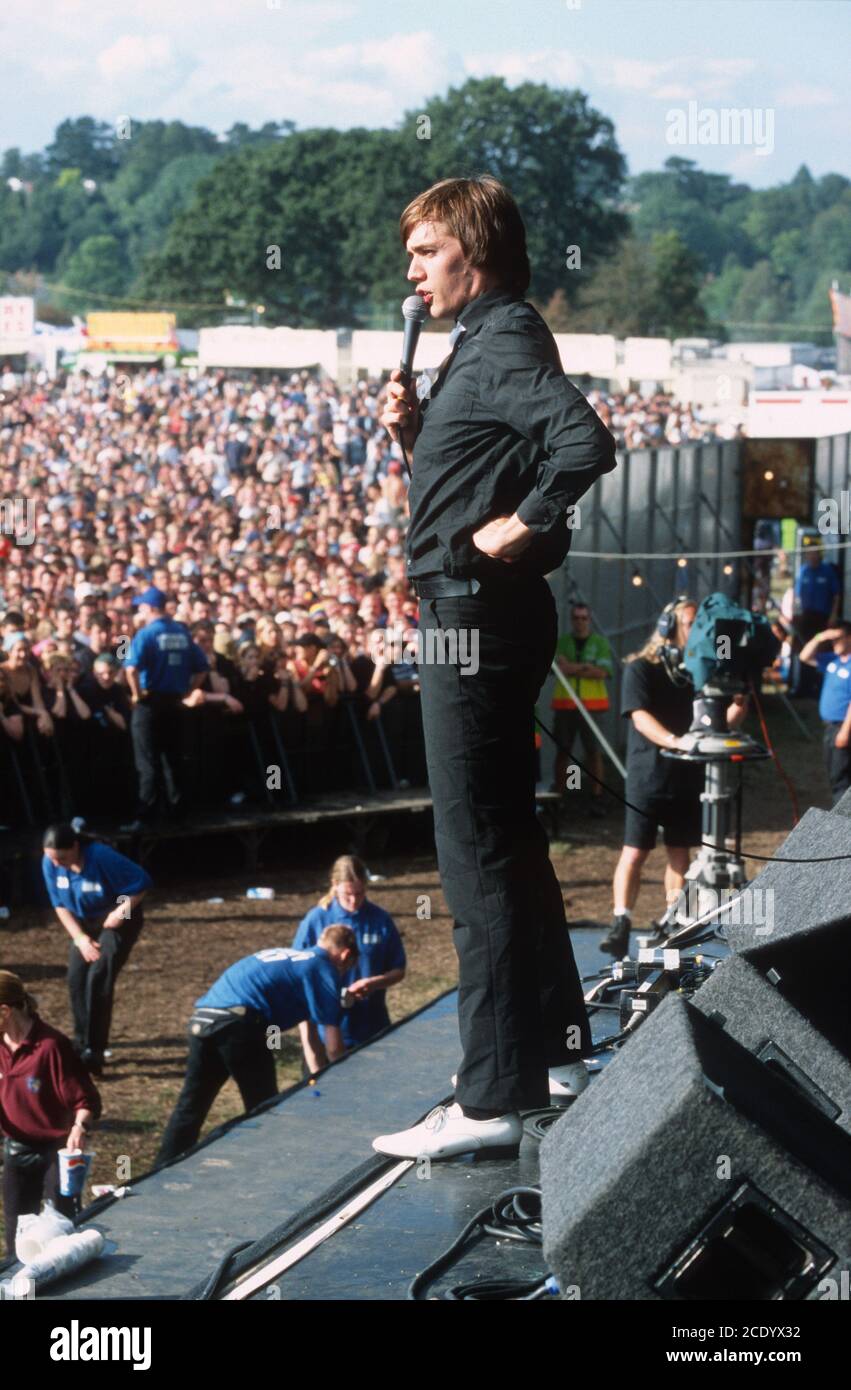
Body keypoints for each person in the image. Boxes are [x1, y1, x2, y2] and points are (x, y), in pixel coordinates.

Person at [373, 175, 617, 1161]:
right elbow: (470, 472)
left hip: (467, 617)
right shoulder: (481, 341)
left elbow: (582, 440)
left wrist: (525, 523)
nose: (412, 271)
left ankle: (487, 1096)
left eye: (425, 252)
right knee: (507, 838)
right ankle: (553, 1046)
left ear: (472, 249)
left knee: (471, 849)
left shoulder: (503, 336)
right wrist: (410, 434)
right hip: (478, 612)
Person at [602, 599, 748, 959]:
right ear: (667, 626)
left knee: (680, 854)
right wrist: (675, 741)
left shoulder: (699, 673)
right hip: (648, 776)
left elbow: (719, 724)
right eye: (690, 623)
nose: (698, 631)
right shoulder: (640, 669)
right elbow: (639, 716)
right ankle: (621, 921)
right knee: (635, 851)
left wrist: (741, 701)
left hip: (687, 777)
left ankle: (674, 920)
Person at [156, 925, 359, 1164]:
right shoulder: (323, 967)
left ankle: (163, 1167)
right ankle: (265, 1167)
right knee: (264, 1106)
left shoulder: (295, 960)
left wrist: (317, 1076)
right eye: (346, 969)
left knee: (192, 1105)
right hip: (238, 1025)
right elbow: (334, 1046)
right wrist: (347, 1087)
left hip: (204, 1019)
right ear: (345, 955)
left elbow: (310, 1035)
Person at [0, 970, 101, 1257]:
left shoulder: (51, 1046)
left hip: (55, 1152)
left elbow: (86, 1099)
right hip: (17, 1149)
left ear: (5, 1010)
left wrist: (79, 1128)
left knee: (59, 1230)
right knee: (16, 1238)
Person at [41, 823, 152, 1074]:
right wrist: (79, 937)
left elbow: (140, 883)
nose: (57, 864)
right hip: (84, 924)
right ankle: (80, 1044)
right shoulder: (51, 863)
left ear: (75, 847)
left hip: (117, 919)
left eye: (62, 858)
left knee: (99, 975)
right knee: (76, 978)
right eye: (52, 858)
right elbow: (59, 904)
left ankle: (95, 1051)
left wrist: (120, 912)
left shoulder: (101, 857)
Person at [293, 854, 406, 1067]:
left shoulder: (380, 920)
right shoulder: (316, 920)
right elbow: (298, 974)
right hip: (325, 1034)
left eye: (360, 893)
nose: (354, 901)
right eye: (347, 894)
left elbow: (398, 969)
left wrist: (374, 983)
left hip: (372, 1027)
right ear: (335, 886)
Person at [121, 586, 209, 831]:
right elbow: (202, 668)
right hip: (176, 702)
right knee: (174, 760)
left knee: (147, 761)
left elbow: (130, 668)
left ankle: (145, 817)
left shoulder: (146, 634)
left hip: (150, 703)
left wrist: (138, 695)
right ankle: (177, 814)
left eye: (141, 606)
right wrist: (189, 690)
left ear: (149, 608)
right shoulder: (182, 632)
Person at [551, 602, 613, 816]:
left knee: (593, 752)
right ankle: (561, 794)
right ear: (571, 620)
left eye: (584, 618)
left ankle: (596, 796)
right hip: (566, 705)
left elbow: (603, 672)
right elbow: (556, 668)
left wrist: (573, 668)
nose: (580, 622)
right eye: (576, 618)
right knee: (564, 751)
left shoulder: (600, 643)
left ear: (589, 619)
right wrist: (587, 667)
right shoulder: (562, 642)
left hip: (592, 705)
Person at [799, 621, 851, 804]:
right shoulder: (832, 660)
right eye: (832, 640)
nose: (834, 643)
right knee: (832, 774)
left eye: (838, 639)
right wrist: (820, 637)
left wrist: (845, 731)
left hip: (843, 727)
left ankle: (844, 823)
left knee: (841, 778)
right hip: (829, 727)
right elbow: (804, 656)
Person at [790, 545, 840, 698]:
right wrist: (795, 614)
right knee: (803, 650)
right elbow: (796, 596)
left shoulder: (827, 571)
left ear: (819, 555)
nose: (812, 557)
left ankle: (817, 688)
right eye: (809, 554)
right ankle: (802, 687)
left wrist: (833, 615)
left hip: (822, 618)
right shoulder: (804, 571)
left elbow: (837, 595)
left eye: (814, 554)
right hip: (806, 617)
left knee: (820, 651)